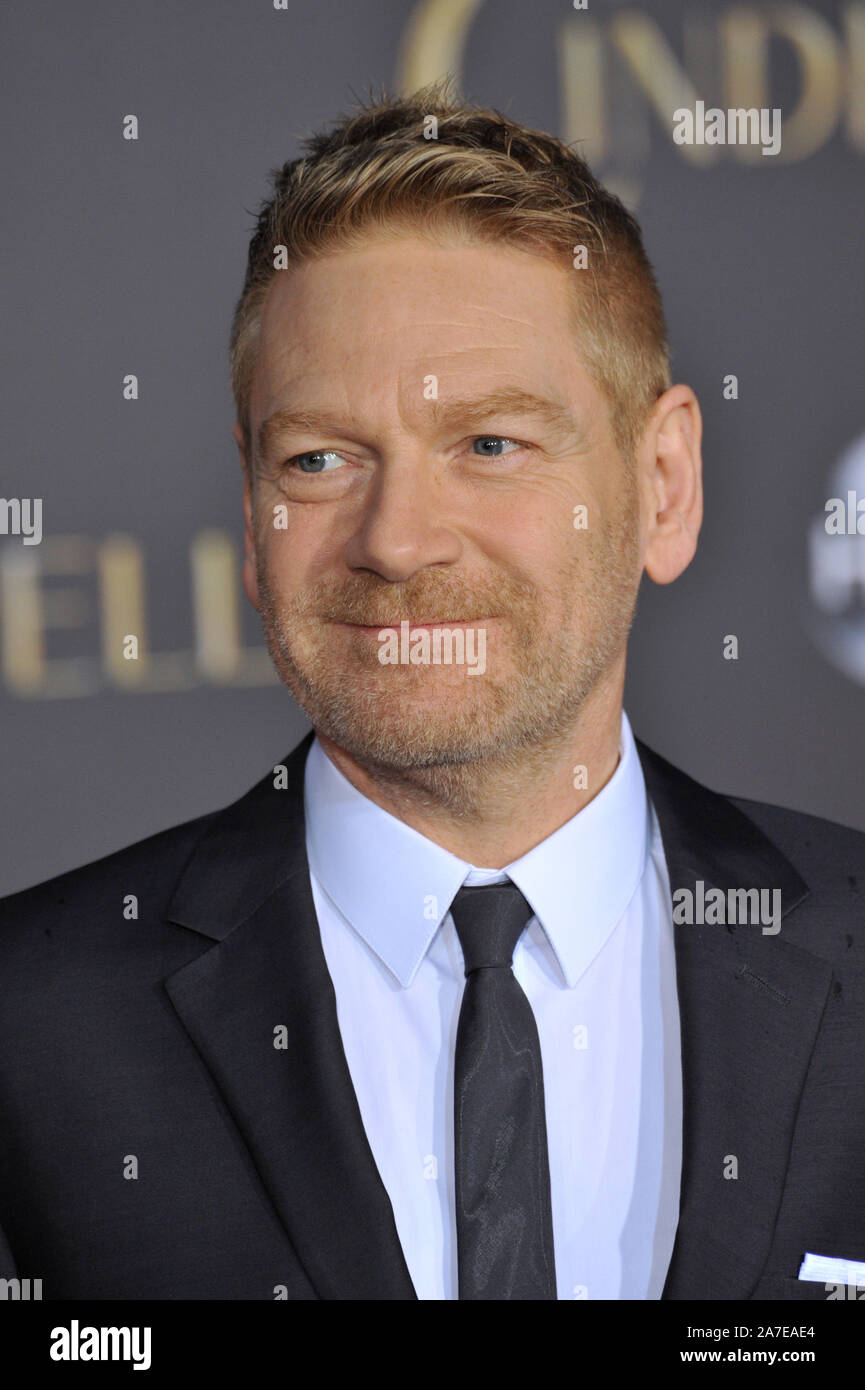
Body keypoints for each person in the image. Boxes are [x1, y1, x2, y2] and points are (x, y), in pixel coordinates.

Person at [1, 80, 863, 1302]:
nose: (398, 541)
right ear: (254, 523)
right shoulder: (30, 1030)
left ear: (662, 484)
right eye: (320, 459)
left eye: (490, 445)